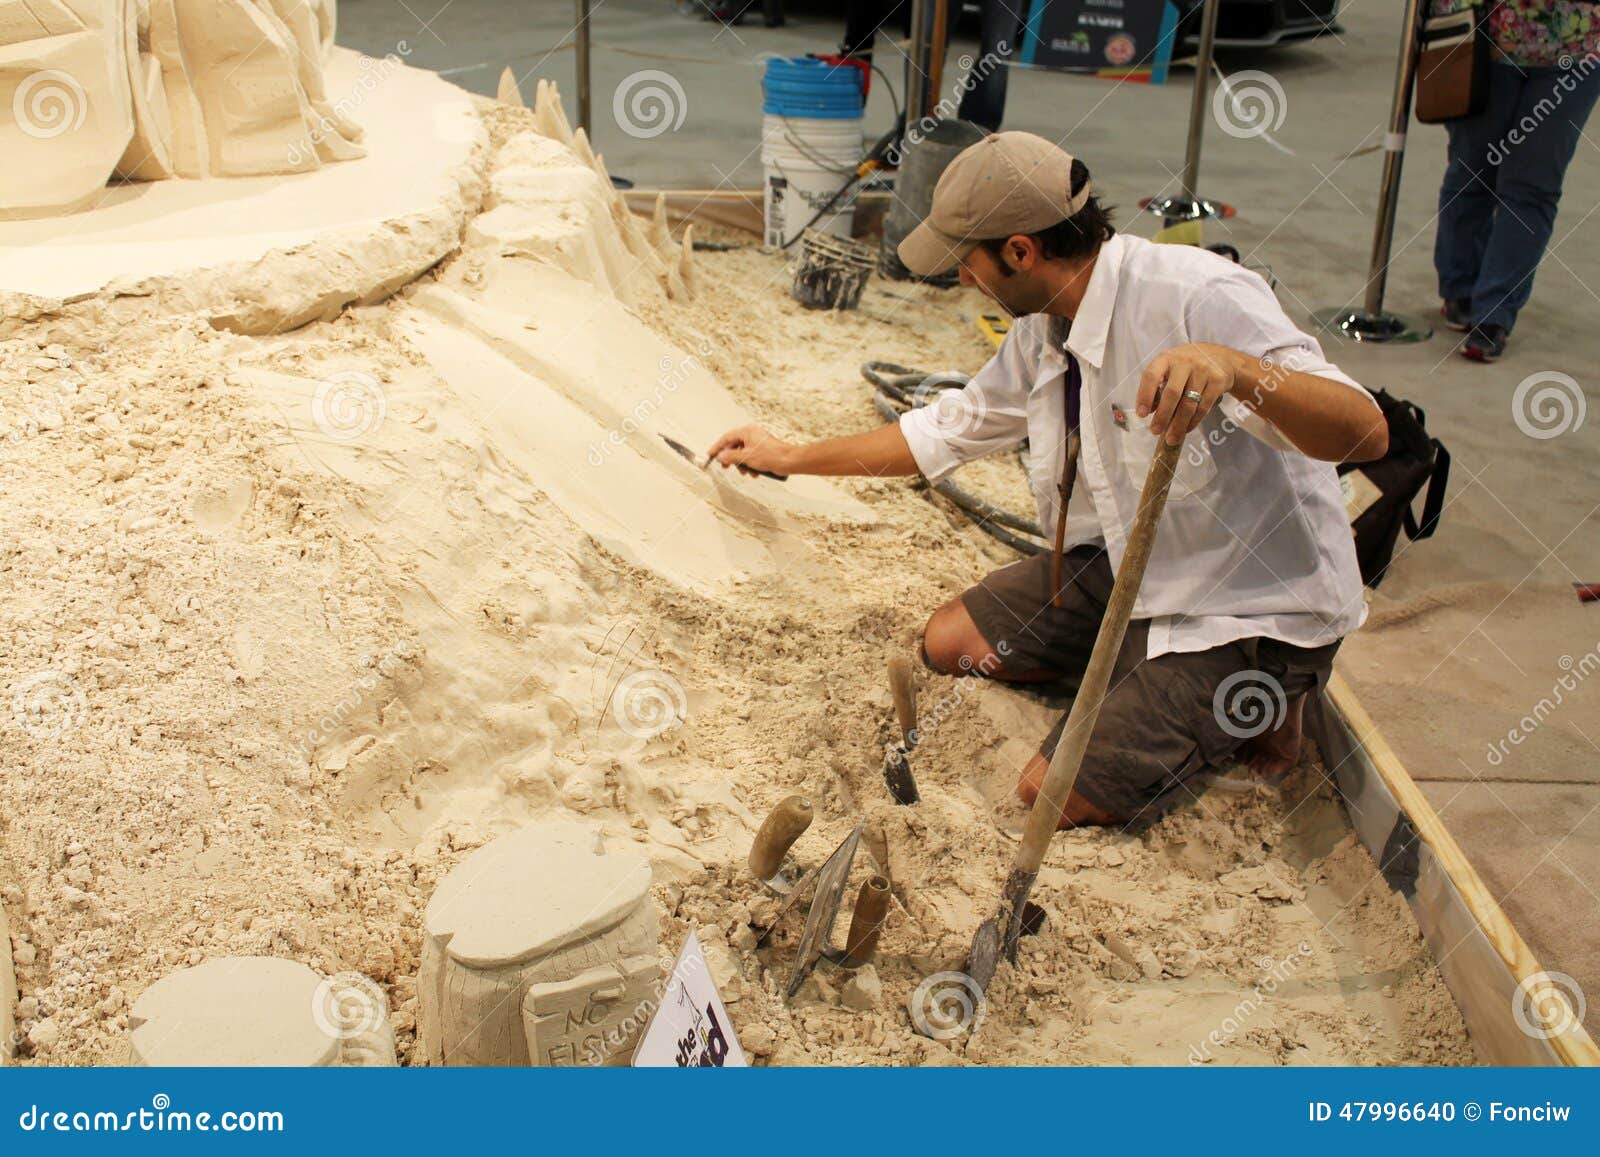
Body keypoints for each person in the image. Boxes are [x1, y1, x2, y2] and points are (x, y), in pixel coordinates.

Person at [708, 133, 1389, 829]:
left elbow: (1365, 432)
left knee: (1050, 792)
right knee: (950, 642)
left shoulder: (1200, 295)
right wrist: (788, 457)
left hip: (1249, 610)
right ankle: (1142, 680)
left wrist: (1235, 367)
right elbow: (943, 430)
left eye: (967, 261)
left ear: (1020, 251)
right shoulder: (1045, 323)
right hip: (1138, 567)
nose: (962, 280)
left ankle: (1267, 692)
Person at [1433, 0, 1600, 361]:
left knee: (1532, 187)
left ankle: (1493, 314)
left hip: (1579, 48)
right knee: (1472, 171)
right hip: (1483, 36)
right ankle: (1460, 286)